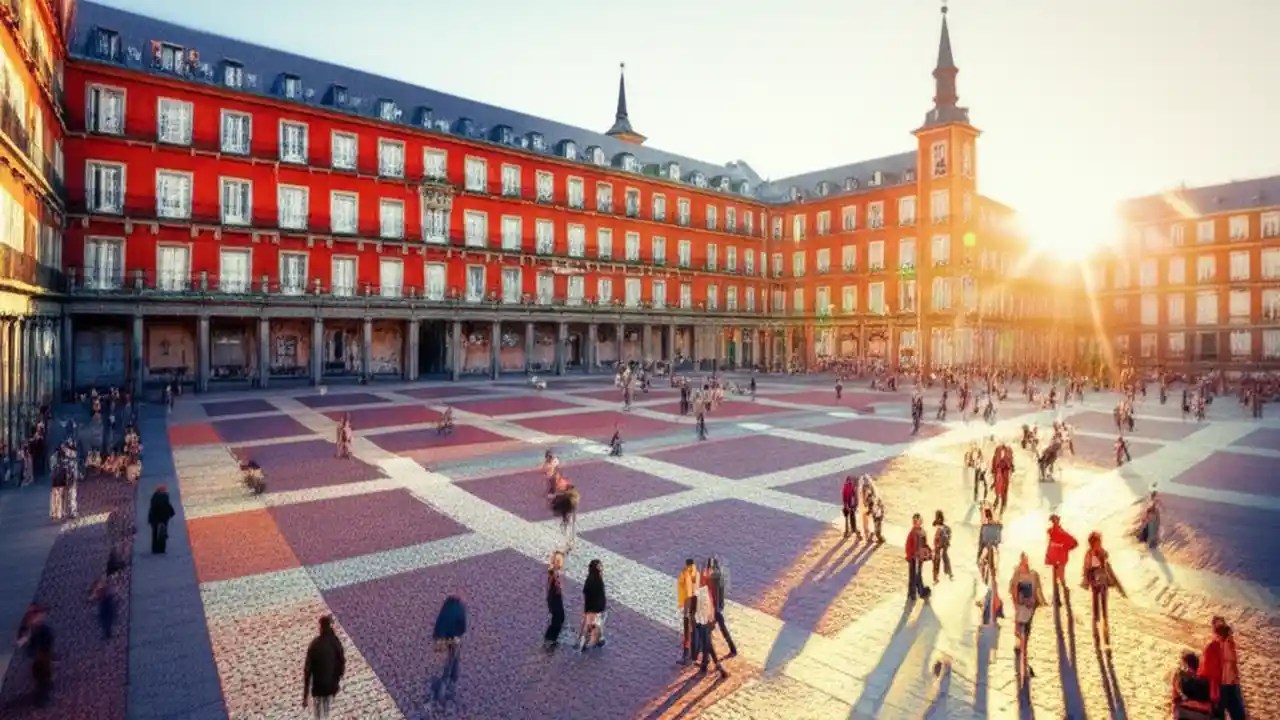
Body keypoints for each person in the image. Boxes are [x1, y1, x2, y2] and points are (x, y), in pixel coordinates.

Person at [1081, 532, 1125, 647]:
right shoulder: (1089, 554)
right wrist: (1087, 580)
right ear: (1092, 543)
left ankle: (1105, 624)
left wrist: (1102, 554)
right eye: (1097, 542)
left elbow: (1106, 557)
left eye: (1100, 542)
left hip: (1103, 580)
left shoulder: (1102, 551)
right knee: (1096, 603)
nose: (1099, 544)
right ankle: (1096, 624)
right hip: (1095, 581)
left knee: (1104, 603)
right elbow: (1086, 568)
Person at [1009, 553, 1047, 684]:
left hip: (1030, 608)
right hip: (1021, 608)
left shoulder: (1033, 574)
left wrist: (1039, 602)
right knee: (1021, 629)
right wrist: (1017, 602)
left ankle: (1023, 656)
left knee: (1026, 632)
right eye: (1023, 562)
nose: (1025, 564)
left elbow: (1038, 589)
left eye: (1026, 562)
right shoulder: (1017, 575)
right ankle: (1020, 647)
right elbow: (1012, 589)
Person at [1199, 618, 1248, 719]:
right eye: (1218, 627)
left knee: (1238, 715)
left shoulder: (1230, 645)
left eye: (1223, 626)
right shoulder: (1212, 647)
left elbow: (1233, 664)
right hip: (1220, 687)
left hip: (1232, 685)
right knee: (1219, 715)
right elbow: (1207, 670)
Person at [302, 615, 346, 719]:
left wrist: (305, 696)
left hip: (317, 688)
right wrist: (337, 681)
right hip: (331, 686)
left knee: (319, 714)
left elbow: (307, 671)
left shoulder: (314, 644)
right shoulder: (335, 642)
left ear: (320, 627)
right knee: (326, 712)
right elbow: (341, 663)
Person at [430, 595, 467, 705]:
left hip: (444, 637)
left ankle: (447, 682)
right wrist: (458, 635)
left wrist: (438, 637)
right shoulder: (460, 609)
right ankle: (449, 683)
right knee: (453, 659)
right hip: (454, 637)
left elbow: (439, 623)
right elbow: (463, 626)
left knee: (451, 658)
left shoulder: (445, 608)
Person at [691, 572, 729, 677]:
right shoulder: (705, 592)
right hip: (706, 622)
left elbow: (695, 610)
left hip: (702, 623)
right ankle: (709, 666)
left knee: (707, 645)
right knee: (708, 644)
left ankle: (717, 667)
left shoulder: (699, 594)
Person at [16, 604, 54, 706]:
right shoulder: (28, 629)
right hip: (36, 658)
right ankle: (41, 698)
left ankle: (43, 695)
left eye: (41, 614)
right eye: (38, 614)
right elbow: (21, 642)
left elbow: (48, 641)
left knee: (43, 676)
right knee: (41, 676)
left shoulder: (44, 629)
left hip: (42, 655)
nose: (41, 616)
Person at [1044, 514, 1078, 605]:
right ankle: (1057, 598)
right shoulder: (1050, 531)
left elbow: (1074, 543)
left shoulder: (1062, 533)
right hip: (1054, 559)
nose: (1054, 522)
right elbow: (1051, 544)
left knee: (1060, 577)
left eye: (1055, 520)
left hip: (1060, 559)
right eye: (1053, 521)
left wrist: (1065, 549)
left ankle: (1065, 590)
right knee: (1055, 579)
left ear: (1058, 521)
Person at [706, 557, 737, 657]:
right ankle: (732, 649)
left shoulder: (714, 578)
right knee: (722, 629)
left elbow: (715, 594)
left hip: (714, 609)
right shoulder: (719, 577)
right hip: (717, 608)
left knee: (708, 632)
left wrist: (715, 609)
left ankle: (707, 657)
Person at [1172, 651, 1215, 720]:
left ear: (1186, 665)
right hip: (1204, 715)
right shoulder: (1206, 682)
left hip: (1184, 714)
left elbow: (1176, 700)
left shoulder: (1180, 678)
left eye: (1182, 664)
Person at [577, 559, 607, 651]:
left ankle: (597, 640)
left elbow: (586, 593)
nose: (602, 569)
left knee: (594, 625)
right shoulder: (596, 581)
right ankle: (584, 644)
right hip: (596, 609)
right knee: (593, 625)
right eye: (600, 567)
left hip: (593, 608)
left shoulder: (590, 579)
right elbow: (598, 595)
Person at [904, 513, 931, 601]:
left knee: (915, 575)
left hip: (918, 557)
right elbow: (910, 547)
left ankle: (913, 593)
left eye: (917, 521)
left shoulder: (920, 532)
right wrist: (912, 555)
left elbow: (923, 544)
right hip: (915, 557)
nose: (916, 522)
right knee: (916, 575)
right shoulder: (914, 533)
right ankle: (919, 592)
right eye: (915, 521)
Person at [677, 559, 699, 665]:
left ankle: (685, 656)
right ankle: (694, 654)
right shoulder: (697, 574)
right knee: (694, 632)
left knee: (687, 634)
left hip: (688, 607)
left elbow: (684, 591)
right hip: (696, 609)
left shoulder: (685, 574)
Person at [543, 551, 565, 651]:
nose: (560, 563)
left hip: (556, 599)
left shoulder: (554, 572)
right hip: (554, 599)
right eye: (557, 561)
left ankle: (551, 638)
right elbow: (550, 587)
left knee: (560, 618)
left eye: (561, 561)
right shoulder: (552, 572)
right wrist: (549, 601)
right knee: (557, 619)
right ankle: (550, 639)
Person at [148, 484, 176, 554]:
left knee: (154, 532)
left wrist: (150, 518)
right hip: (163, 516)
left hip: (156, 516)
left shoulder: (154, 497)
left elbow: (152, 507)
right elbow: (168, 505)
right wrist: (172, 513)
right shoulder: (165, 496)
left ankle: (155, 549)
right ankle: (161, 548)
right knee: (163, 528)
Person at [932, 510, 953, 583]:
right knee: (937, 560)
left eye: (940, 518)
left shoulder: (945, 528)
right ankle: (936, 578)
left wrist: (944, 544)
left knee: (945, 558)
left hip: (943, 546)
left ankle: (949, 575)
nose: (939, 520)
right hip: (937, 547)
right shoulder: (936, 527)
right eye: (938, 518)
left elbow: (947, 538)